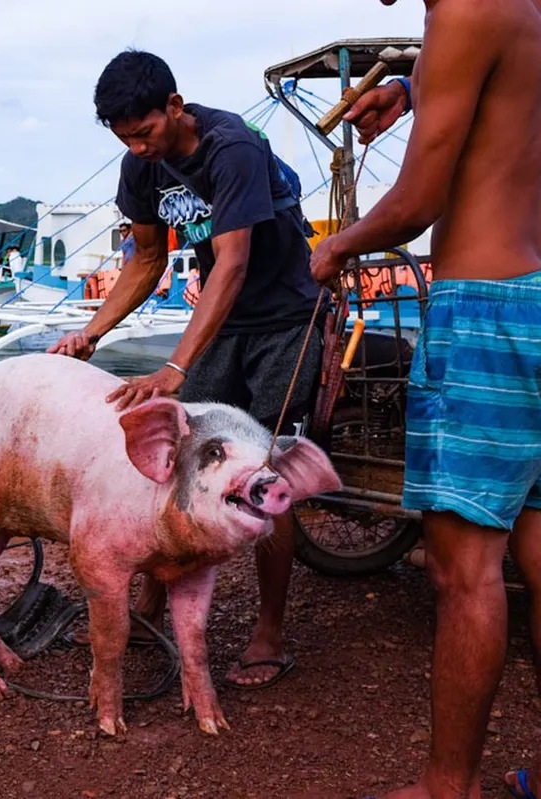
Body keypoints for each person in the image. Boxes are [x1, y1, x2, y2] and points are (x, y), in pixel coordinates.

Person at [311, 2, 541, 797]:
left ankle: (449, 789)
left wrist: (336, 246)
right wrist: (414, 83)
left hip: (487, 308)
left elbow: (419, 199)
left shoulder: (467, 7)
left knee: (466, 570)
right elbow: (514, 86)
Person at [48, 49, 321, 690]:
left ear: (174, 106)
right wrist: (90, 333)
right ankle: (149, 603)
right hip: (222, 325)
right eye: (124, 138)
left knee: (267, 471)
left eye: (144, 132)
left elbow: (232, 262)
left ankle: (270, 632)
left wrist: (174, 366)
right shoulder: (141, 167)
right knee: (179, 458)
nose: (138, 148)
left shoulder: (233, 148)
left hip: (285, 320)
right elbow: (146, 260)